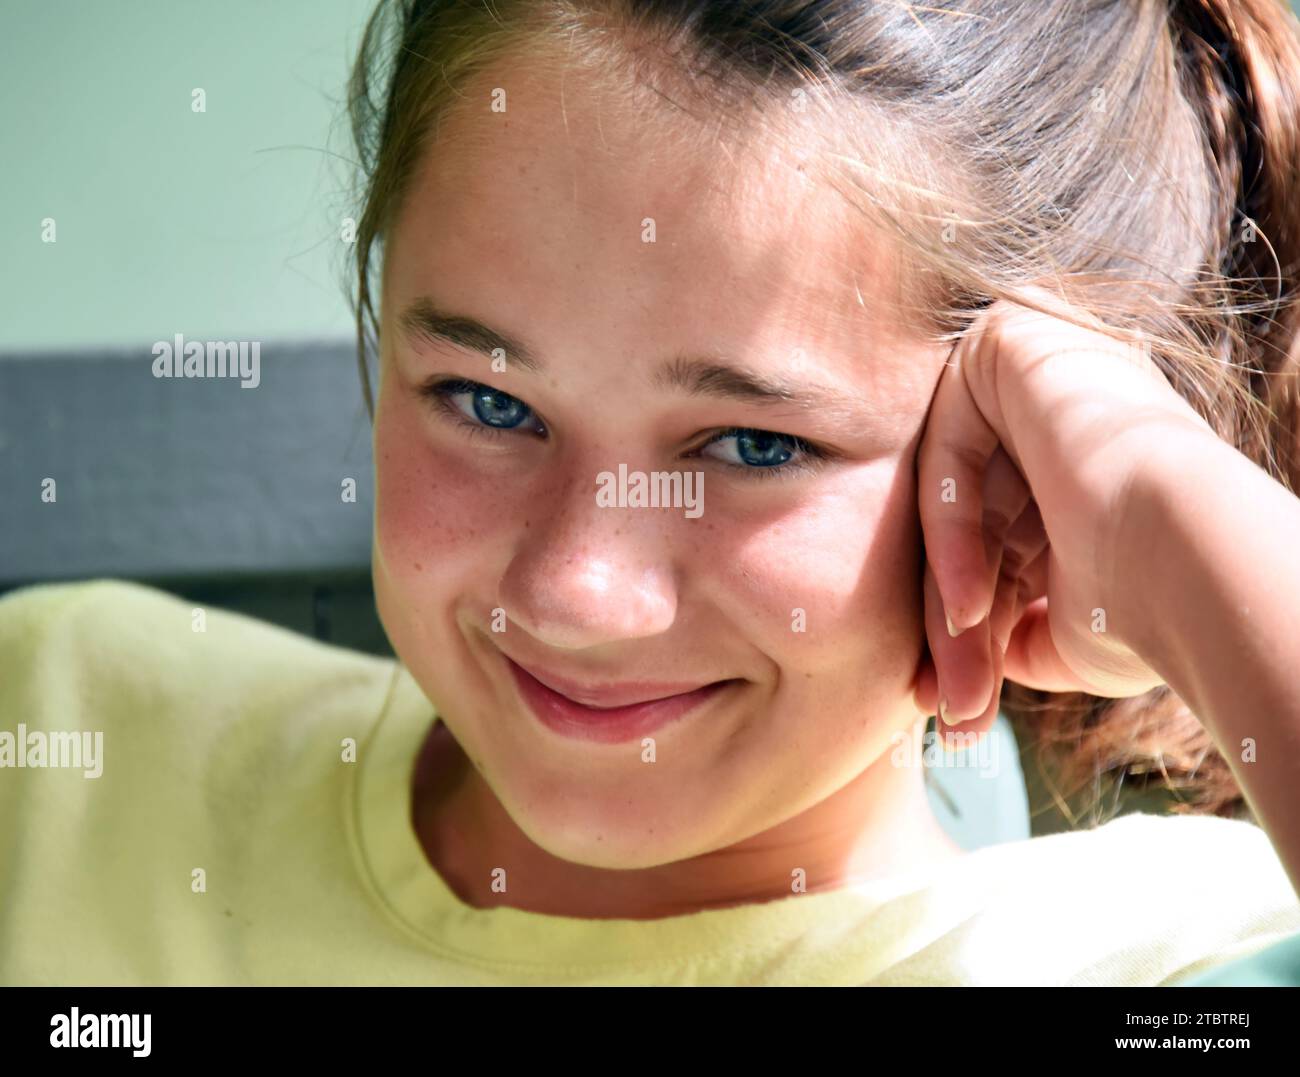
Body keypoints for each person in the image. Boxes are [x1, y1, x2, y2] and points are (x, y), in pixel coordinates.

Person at [3, 0, 1300, 986]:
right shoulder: (61, 739)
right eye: (488, 401)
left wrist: (1159, 511)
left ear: (1016, 474)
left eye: (751, 447)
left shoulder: (1168, 959)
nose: (578, 588)